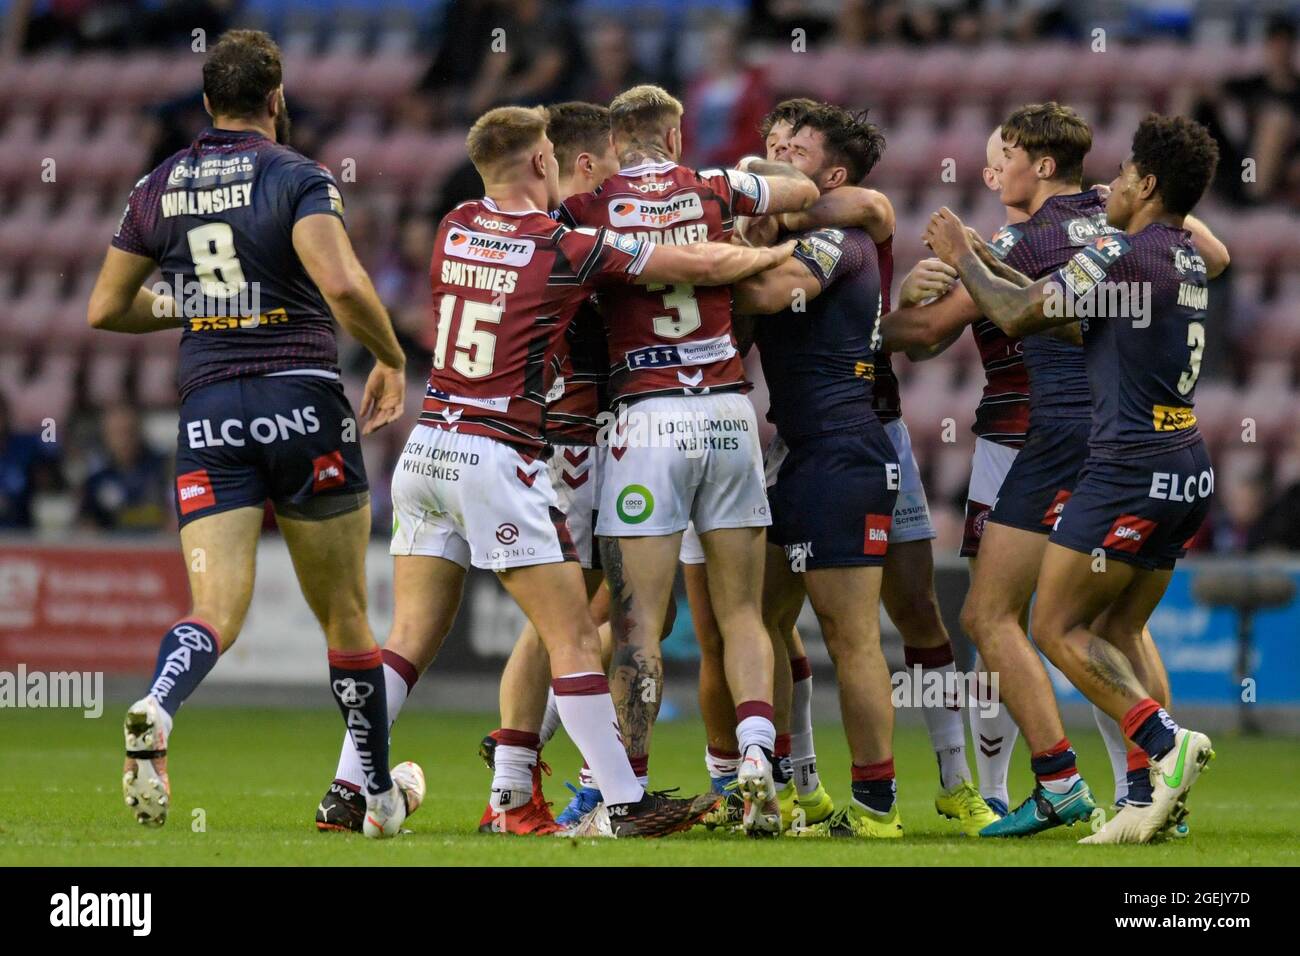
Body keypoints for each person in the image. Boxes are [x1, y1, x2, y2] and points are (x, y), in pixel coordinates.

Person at [319, 102, 796, 838]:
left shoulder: (454, 226)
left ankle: (348, 790)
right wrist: (767, 256)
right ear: (546, 162)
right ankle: (615, 801)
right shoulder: (566, 244)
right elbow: (693, 264)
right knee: (574, 633)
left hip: (427, 446)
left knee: (409, 637)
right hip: (508, 451)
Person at [88, 30, 414, 838]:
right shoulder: (296, 175)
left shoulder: (158, 185)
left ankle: (159, 706)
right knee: (344, 615)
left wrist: (195, 305)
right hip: (301, 400)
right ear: (277, 99)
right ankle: (375, 796)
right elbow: (340, 282)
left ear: (206, 103)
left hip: (208, 412)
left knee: (216, 610)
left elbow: (105, 308)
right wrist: (390, 354)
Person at [923, 112, 1223, 844]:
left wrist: (964, 256)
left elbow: (1024, 316)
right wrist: (996, 265)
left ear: (1146, 184)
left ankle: (1162, 746)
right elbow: (1072, 320)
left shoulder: (1120, 253)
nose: (1111, 185)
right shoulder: (1181, 253)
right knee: (1121, 626)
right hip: (1188, 463)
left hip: (1125, 465)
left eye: (1124, 176)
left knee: (1055, 626)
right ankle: (1147, 800)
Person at [559, 84, 819, 834]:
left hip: (647, 420)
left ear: (616, 140)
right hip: (730, 415)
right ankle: (758, 764)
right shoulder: (713, 186)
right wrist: (753, 188)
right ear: (675, 138)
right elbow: (801, 189)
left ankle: (623, 797)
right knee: (741, 612)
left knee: (639, 626)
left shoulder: (592, 206)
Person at [731, 103, 904, 837]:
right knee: (760, 620)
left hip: (845, 450)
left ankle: (876, 807)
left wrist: (706, 257)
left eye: (792, 151)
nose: (772, 158)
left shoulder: (843, 239)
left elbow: (768, 294)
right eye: (767, 145)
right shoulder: (810, 230)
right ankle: (780, 784)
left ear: (828, 175)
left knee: (850, 635)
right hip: (798, 452)